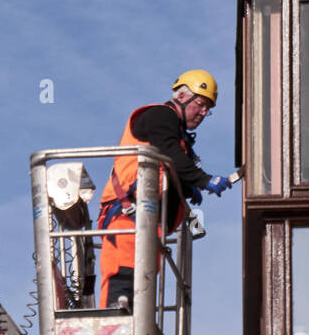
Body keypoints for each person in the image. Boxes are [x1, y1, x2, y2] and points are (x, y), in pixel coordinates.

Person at [97, 70, 234, 309]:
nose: (203, 113)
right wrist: (202, 180)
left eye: (207, 109)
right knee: (122, 278)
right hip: (127, 215)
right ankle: (113, 324)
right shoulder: (160, 116)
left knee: (141, 288)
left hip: (147, 222)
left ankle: (127, 325)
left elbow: (174, 160)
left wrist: (186, 185)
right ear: (182, 97)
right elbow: (170, 153)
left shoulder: (177, 136)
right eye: (200, 104)